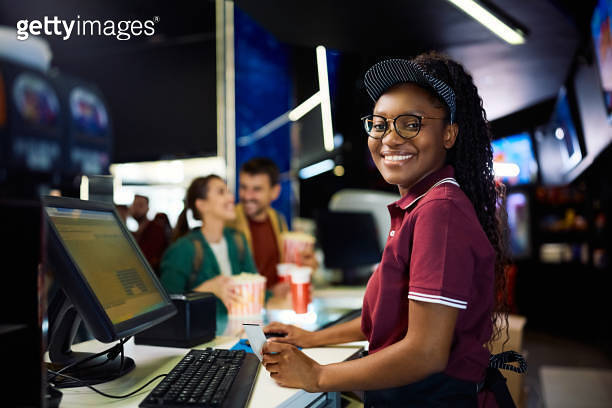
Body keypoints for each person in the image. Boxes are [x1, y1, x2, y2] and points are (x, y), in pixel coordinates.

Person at [262, 53, 521, 408]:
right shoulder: (420, 205)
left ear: (449, 133)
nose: (390, 138)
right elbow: (389, 319)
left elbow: (426, 352)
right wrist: (312, 339)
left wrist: (318, 376)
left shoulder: (439, 211)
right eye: (380, 124)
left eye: (411, 124)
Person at [159, 175, 258, 316]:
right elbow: (166, 309)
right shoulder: (183, 249)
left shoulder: (238, 240)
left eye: (229, 191)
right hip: (204, 335)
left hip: (237, 332)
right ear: (202, 205)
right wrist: (205, 289)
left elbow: (256, 286)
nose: (231, 198)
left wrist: (279, 296)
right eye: (221, 192)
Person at [228, 157, 318, 297]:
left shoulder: (278, 220)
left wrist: (306, 265)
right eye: (243, 187)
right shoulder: (229, 221)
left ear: (275, 192)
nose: (247, 196)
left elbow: (285, 265)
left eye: (256, 189)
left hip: (274, 308)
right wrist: (269, 294)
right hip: (245, 307)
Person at [129, 194, 168, 275]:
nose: (136, 209)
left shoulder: (155, 230)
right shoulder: (134, 232)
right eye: (134, 205)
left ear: (148, 209)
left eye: (140, 205)